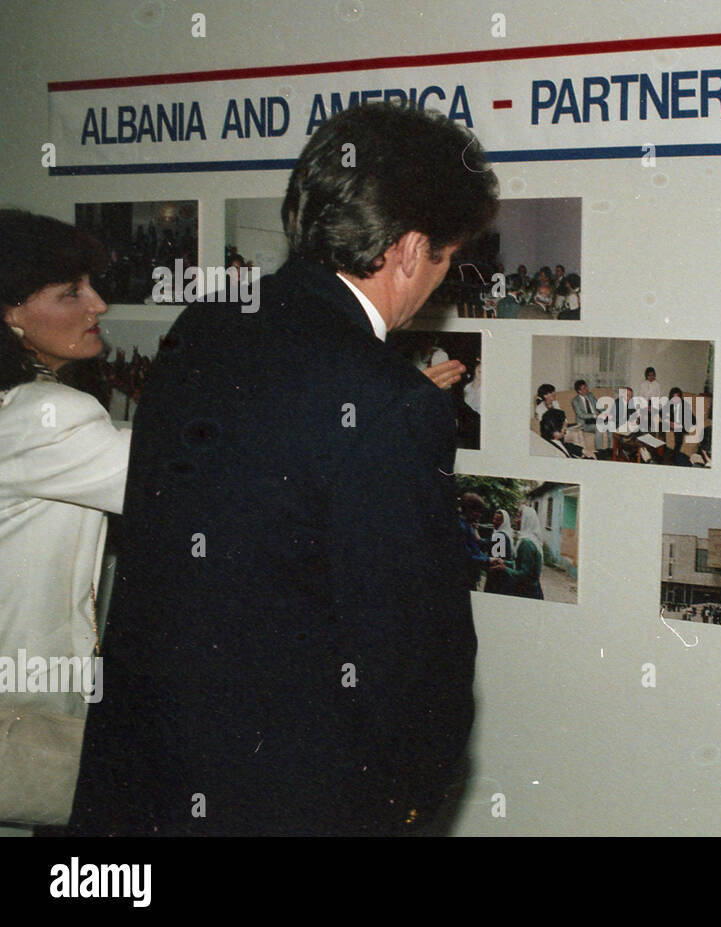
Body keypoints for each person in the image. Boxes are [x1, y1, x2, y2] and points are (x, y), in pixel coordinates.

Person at [71, 103, 499, 836]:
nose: (440, 282)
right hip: (298, 803)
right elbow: (417, 660)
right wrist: (400, 805)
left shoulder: (204, 326)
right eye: (445, 259)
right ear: (407, 249)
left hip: (147, 785)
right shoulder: (389, 401)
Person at [0, 211, 130, 830]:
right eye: (71, 293)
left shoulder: (25, 411)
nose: (97, 305)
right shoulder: (45, 412)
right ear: (12, 314)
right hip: (24, 704)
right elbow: (178, 479)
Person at [489, 506, 544, 599]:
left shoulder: (526, 543)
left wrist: (504, 569)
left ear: (527, 520)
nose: (515, 520)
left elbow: (525, 575)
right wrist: (505, 563)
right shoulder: (531, 540)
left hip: (527, 593)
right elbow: (520, 564)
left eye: (519, 517)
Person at [459, 492, 492, 589]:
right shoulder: (461, 527)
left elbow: (475, 548)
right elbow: (467, 555)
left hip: (471, 577)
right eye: (478, 512)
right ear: (468, 509)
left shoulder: (468, 526)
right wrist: (488, 560)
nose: (479, 515)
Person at [570, 379, 606, 458]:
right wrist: (594, 415)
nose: (587, 389)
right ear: (579, 391)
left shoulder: (590, 395)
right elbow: (581, 415)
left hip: (595, 420)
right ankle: (599, 452)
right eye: (584, 388)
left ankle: (611, 449)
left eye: (586, 387)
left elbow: (598, 406)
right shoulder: (575, 401)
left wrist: (605, 412)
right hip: (584, 424)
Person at [482, 508, 514, 594]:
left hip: (496, 578)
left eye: (498, 520)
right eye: (494, 519)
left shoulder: (499, 536)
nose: (494, 522)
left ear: (504, 522)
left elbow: (497, 560)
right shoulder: (507, 533)